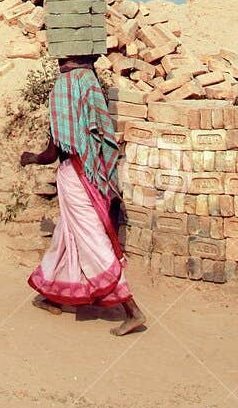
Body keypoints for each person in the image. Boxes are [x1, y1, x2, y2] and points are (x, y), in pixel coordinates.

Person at [20, 54, 146, 335]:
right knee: (66, 237)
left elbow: (52, 153)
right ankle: (51, 293)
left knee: (91, 240)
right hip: (91, 176)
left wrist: (31, 158)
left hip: (74, 178)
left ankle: (132, 309)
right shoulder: (90, 89)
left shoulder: (62, 95)